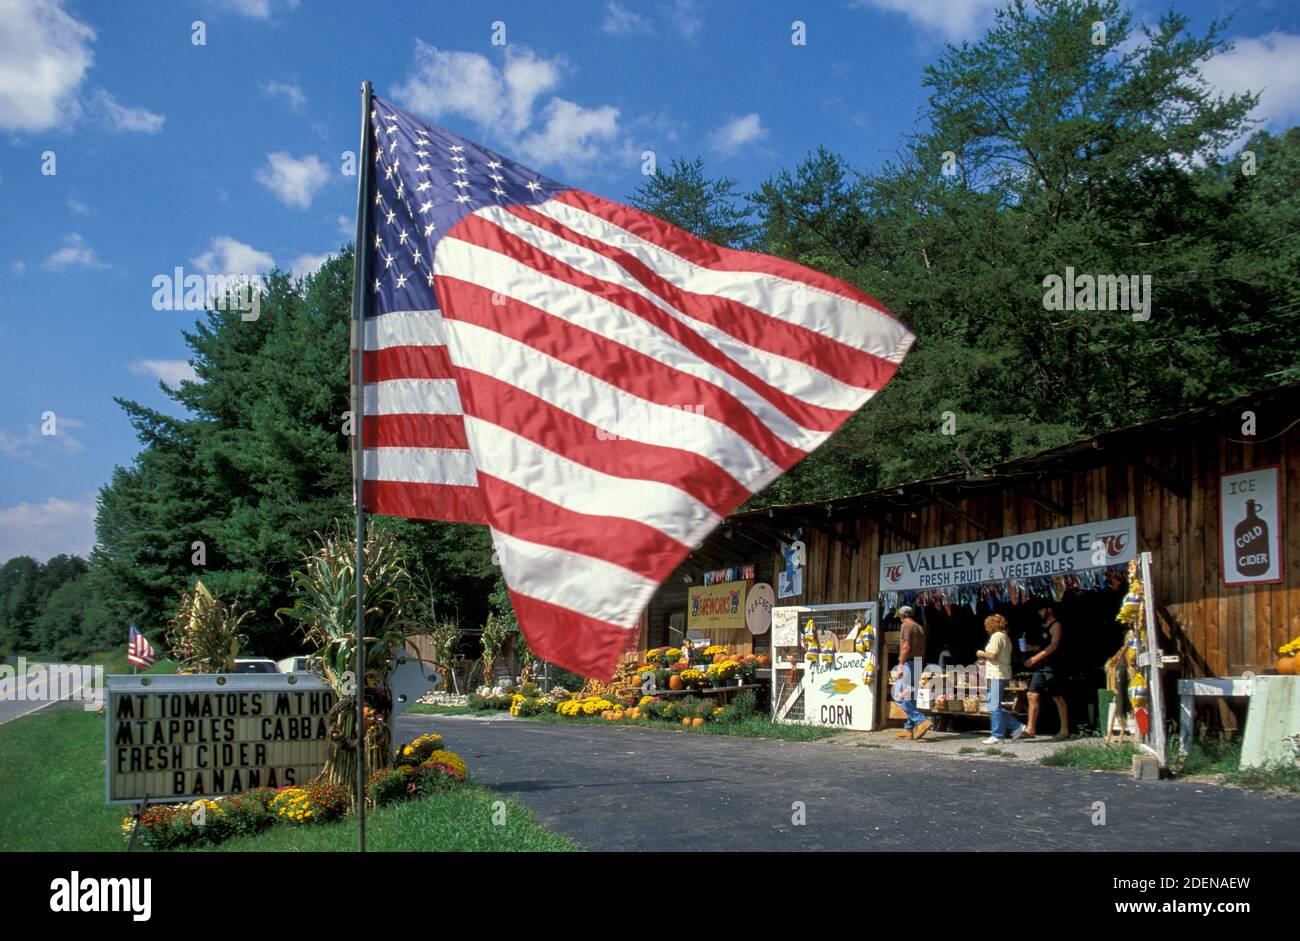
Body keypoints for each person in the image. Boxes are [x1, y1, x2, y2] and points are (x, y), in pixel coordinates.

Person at [975, 614, 1024, 743]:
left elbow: (993, 655)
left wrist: (981, 653)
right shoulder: (1005, 637)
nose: (986, 627)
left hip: (997, 673)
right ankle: (1014, 727)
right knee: (994, 705)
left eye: (987, 625)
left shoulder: (997, 637)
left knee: (993, 706)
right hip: (1000, 673)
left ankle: (998, 735)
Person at [1024, 602, 1069, 740]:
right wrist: (1032, 648)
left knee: (1057, 697)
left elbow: (1053, 645)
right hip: (1041, 667)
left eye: (1041, 610)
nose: (1040, 613)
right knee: (1032, 694)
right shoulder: (1043, 626)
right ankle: (1030, 729)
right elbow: (1043, 645)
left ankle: (1064, 730)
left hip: (1052, 666)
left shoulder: (1056, 625)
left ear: (1049, 610)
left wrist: (1034, 658)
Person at [890, 606, 932, 740]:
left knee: (899, 695)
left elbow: (906, 646)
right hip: (918, 662)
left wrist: (900, 665)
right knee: (911, 696)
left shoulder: (906, 626)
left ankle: (921, 720)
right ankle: (908, 729)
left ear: (901, 615)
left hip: (909, 663)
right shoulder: (919, 627)